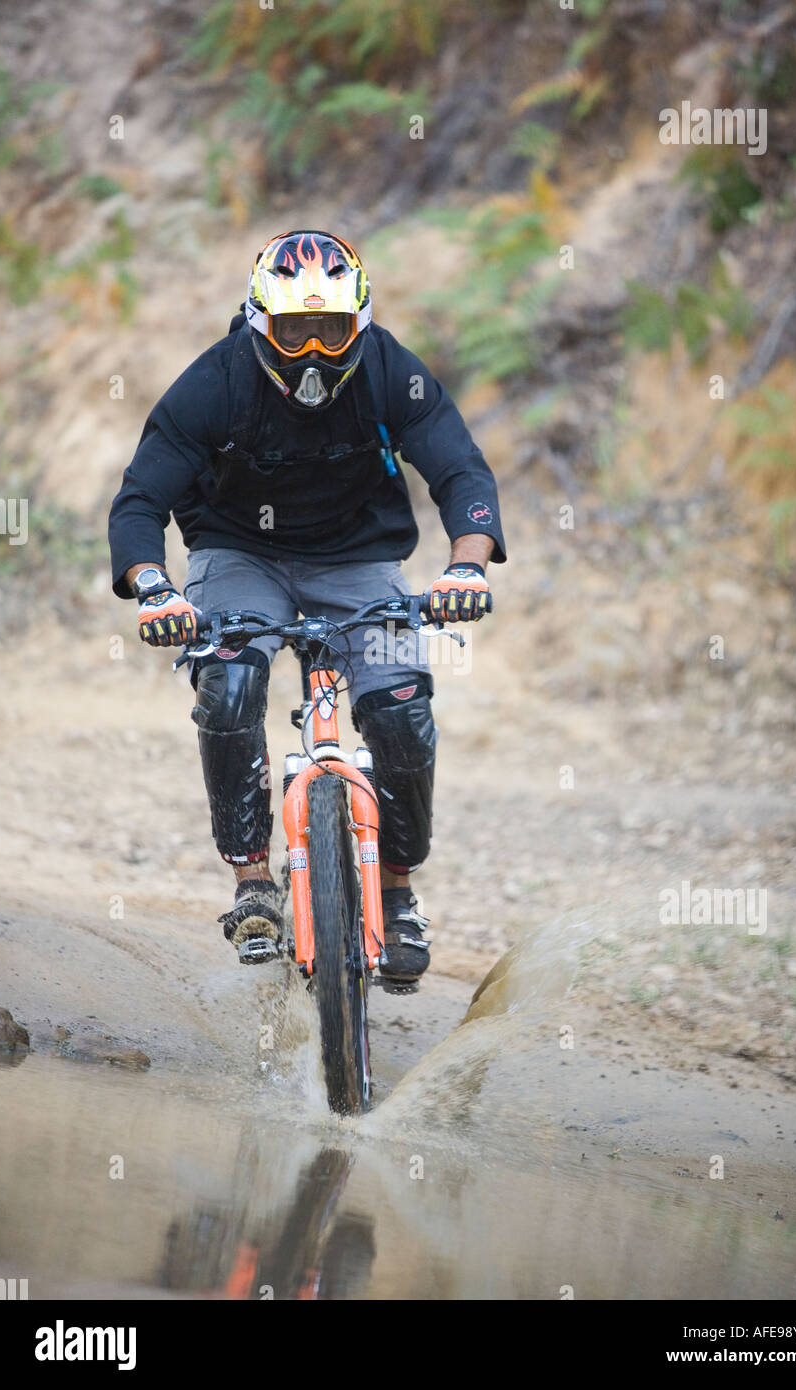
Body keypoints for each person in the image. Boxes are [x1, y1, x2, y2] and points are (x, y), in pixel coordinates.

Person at [108, 229, 506, 988]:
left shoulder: (392, 369)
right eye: (295, 332)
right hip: (239, 556)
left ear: (360, 324)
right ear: (261, 324)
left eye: (333, 331)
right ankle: (253, 882)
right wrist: (155, 587)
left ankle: (397, 889)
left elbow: (460, 469)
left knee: (399, 706)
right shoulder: (215, 382)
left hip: (358, 559)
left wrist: (466, 566)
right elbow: (139, 501)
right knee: (227, 686)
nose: (316, 352)